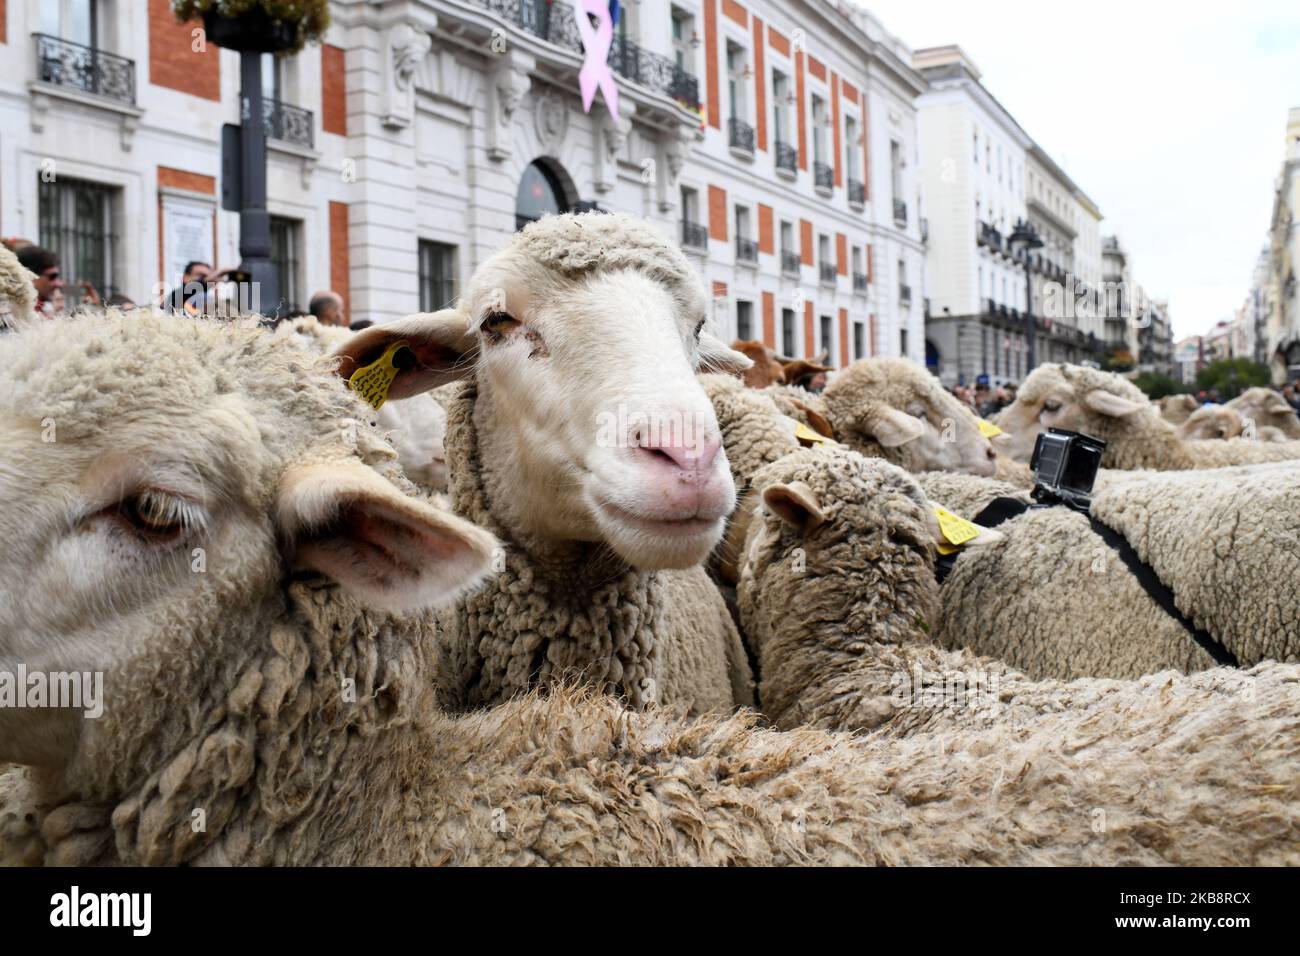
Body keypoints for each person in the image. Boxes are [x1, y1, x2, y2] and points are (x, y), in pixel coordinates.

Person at [16, 245, 63, 316]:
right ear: (31, 277)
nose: (59, 284)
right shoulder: (12, 315)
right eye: (52, 277)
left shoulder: (41, 312)